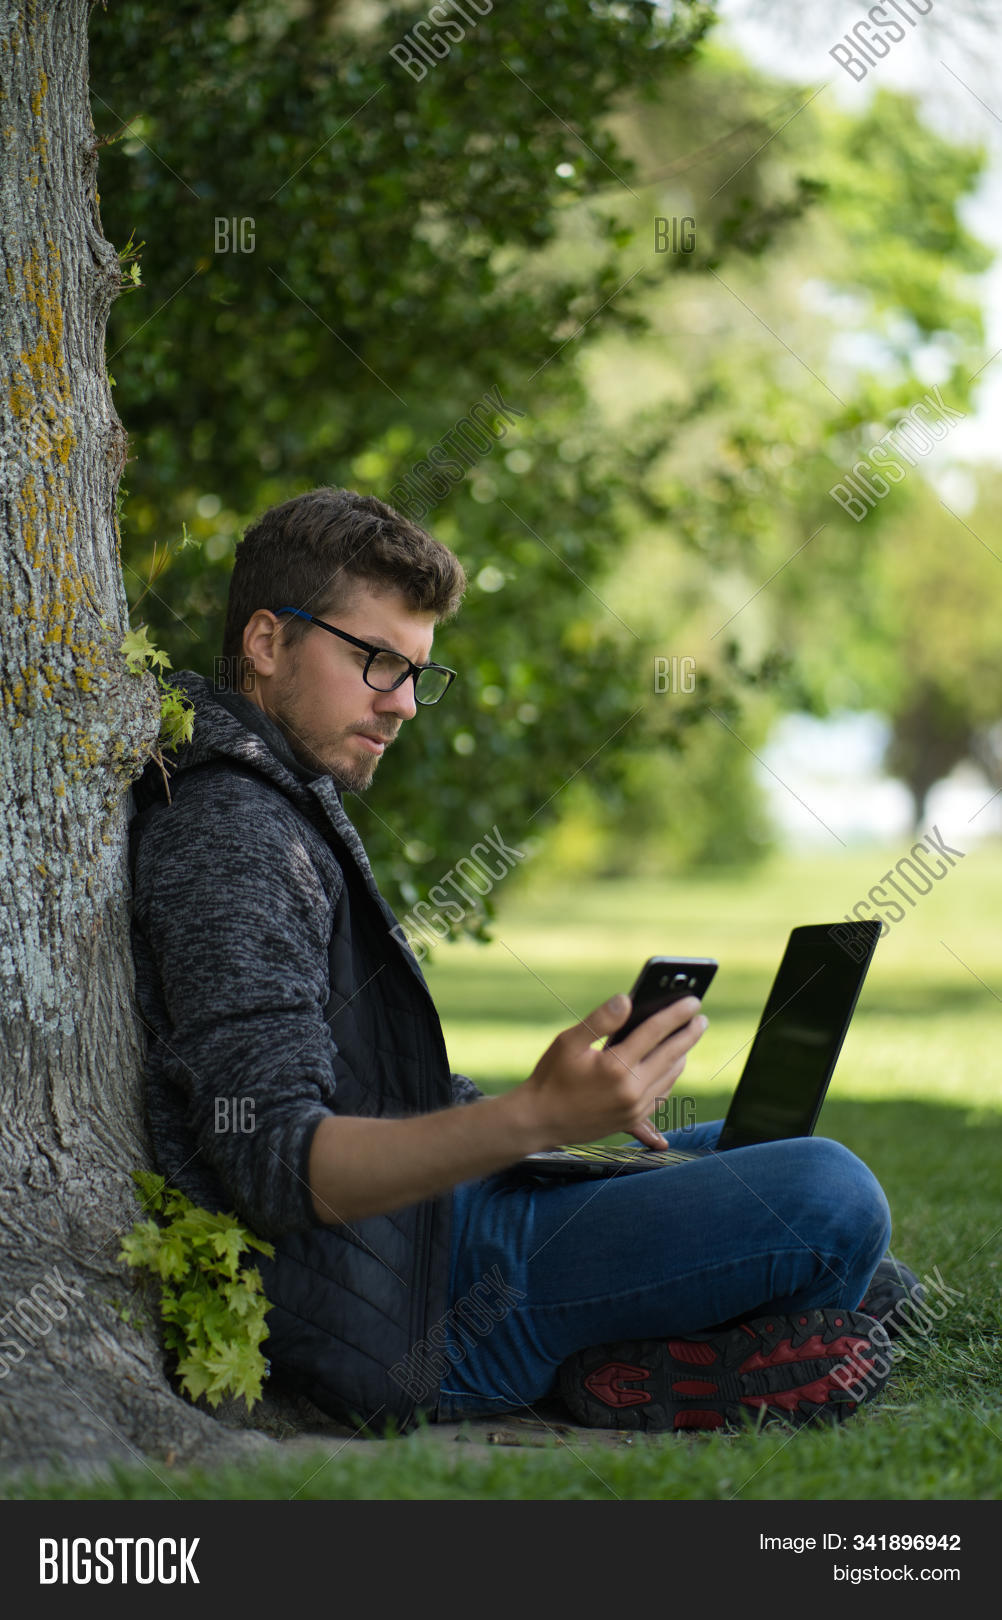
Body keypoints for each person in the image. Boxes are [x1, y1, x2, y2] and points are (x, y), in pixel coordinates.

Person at [128, 486, 911, 1437]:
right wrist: (532, 1118)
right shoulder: (234, 833)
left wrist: (555, 1130)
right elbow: (275, 1165)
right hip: (408, 1305)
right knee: (827, 1199)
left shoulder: (285, 787)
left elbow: (364, 1078)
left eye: (420, 673)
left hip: (434, 1226)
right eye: (376, 661)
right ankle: (619, 1362)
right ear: (264, 641)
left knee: (765, 1171)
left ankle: (655, 1352)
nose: (405, 704)